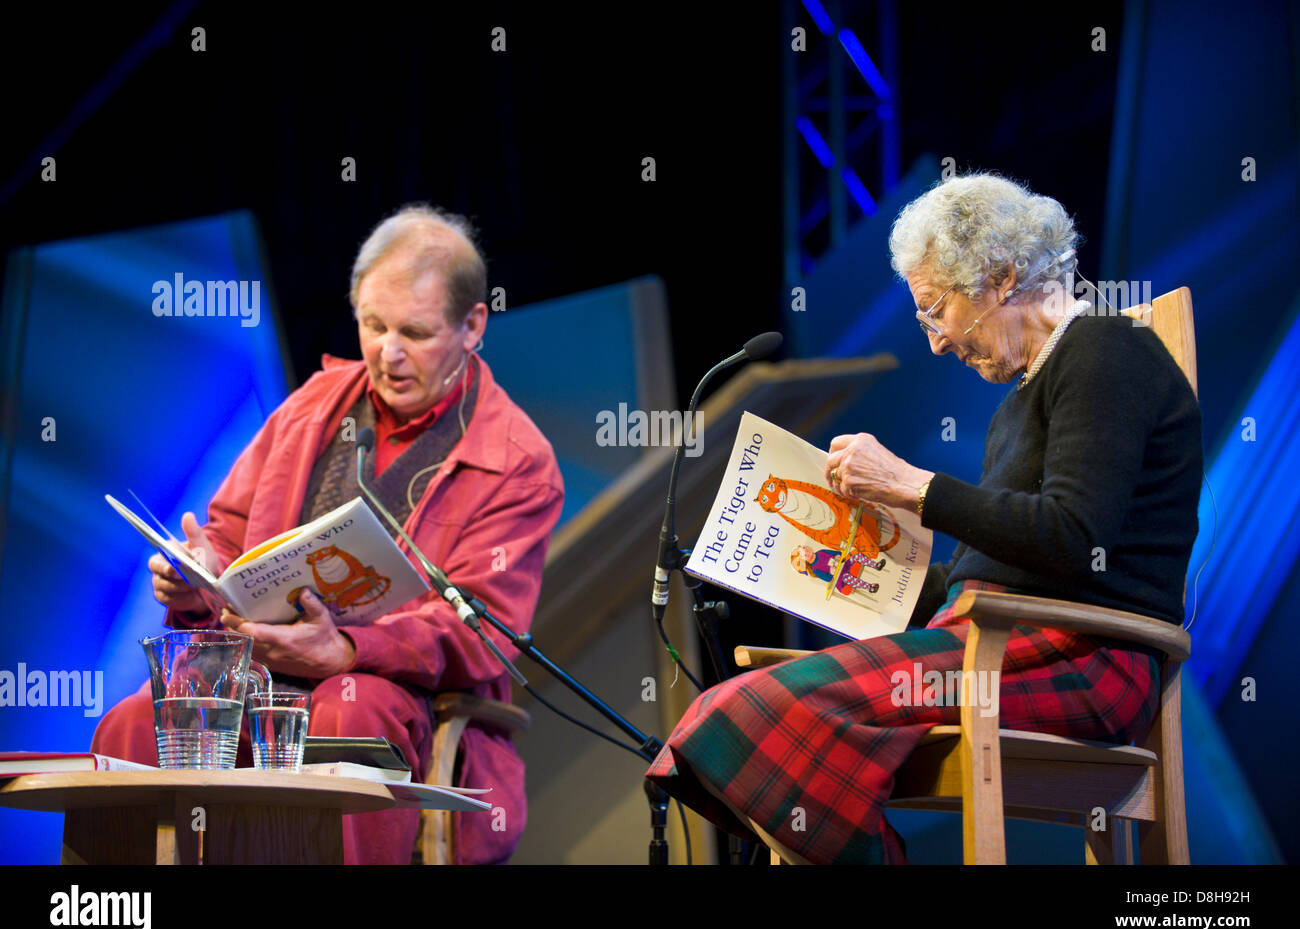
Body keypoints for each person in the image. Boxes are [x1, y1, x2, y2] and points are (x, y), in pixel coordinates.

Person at [645, 173, 1202, 864]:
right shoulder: (1019, 403)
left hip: (1082, 656)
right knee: (736, 712)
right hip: (998, 643)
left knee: (758, 716)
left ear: (1000, 277)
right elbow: (996, 565)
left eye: (936, 309)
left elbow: (1074, 537)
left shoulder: (1105, 351)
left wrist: (912, 486)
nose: (937, 342)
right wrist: (841, 566)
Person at [92, 205, 565, 865]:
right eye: (373, 325)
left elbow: (481, 630)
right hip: (256, 676)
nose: (387, 354)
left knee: (350, 711)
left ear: (472, 326)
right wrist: (198, 568)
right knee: (133, 722)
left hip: (395, 698)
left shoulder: (515, 459)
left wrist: (346, 648)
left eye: (416, 332)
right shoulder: (314, 404)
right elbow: (227, 533)